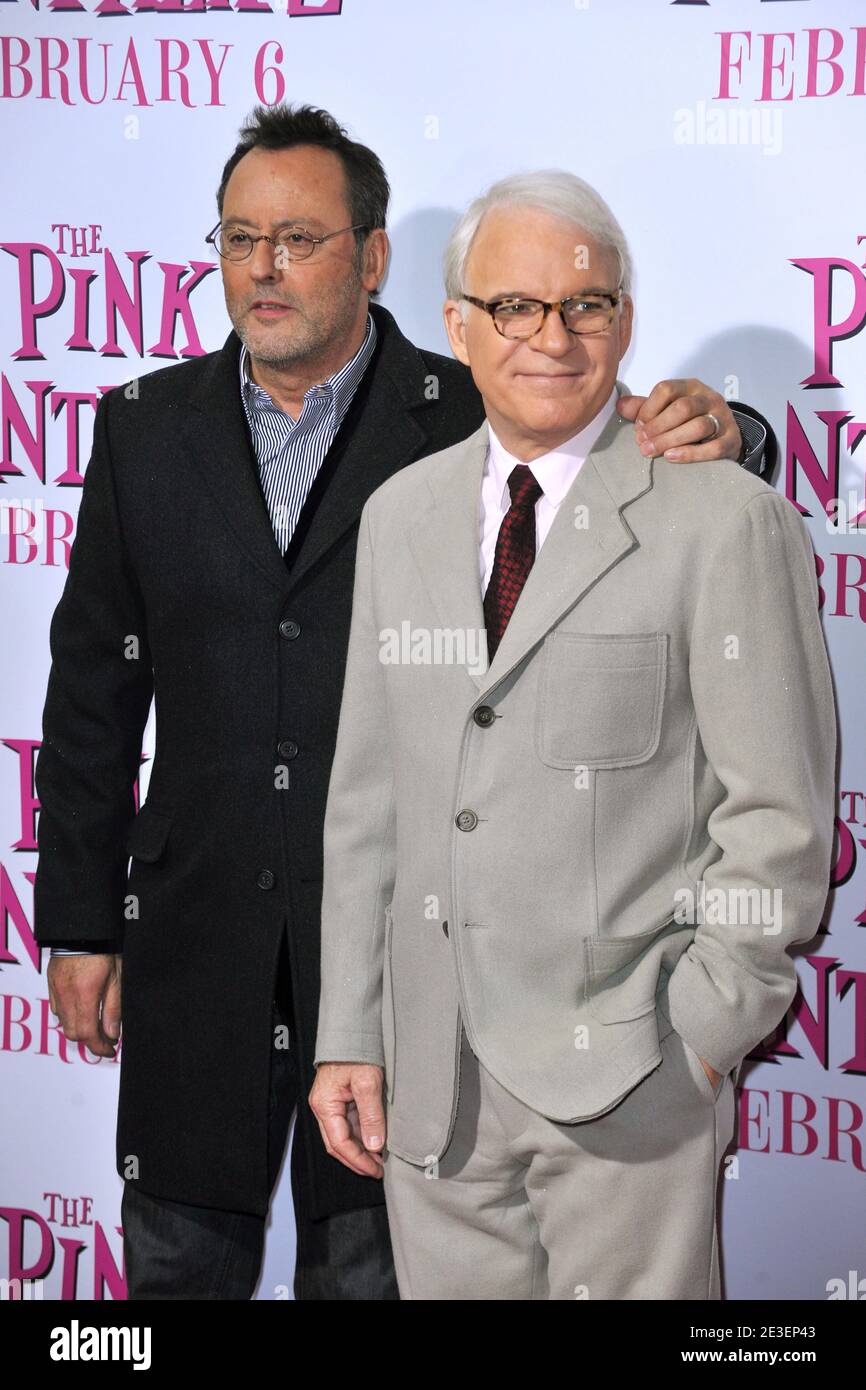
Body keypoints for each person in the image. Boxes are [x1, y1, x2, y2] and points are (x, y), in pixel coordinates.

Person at [35, 106, 773, 1302]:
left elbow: (616, 444)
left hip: (398, 963)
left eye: (299, 238)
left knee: (371, 1273)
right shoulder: (140, 426)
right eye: (238, 237)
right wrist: (79, 920)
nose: (264, 269)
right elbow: (90, 699)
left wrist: (732, 430)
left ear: (372, 258)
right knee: (171, 1270)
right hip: (196, 932)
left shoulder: (467, 403)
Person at [310, 170, 837, 1299]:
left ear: (623, 322)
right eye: (513, 306)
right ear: (457, 326)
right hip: (430, 1088)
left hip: (630, 1087)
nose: (550, 336)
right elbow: (368, 803)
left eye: (583, 305)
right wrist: (350, 1028)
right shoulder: (399, 514)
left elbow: (779, 820)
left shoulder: (724, 520)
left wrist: (698, 1035)